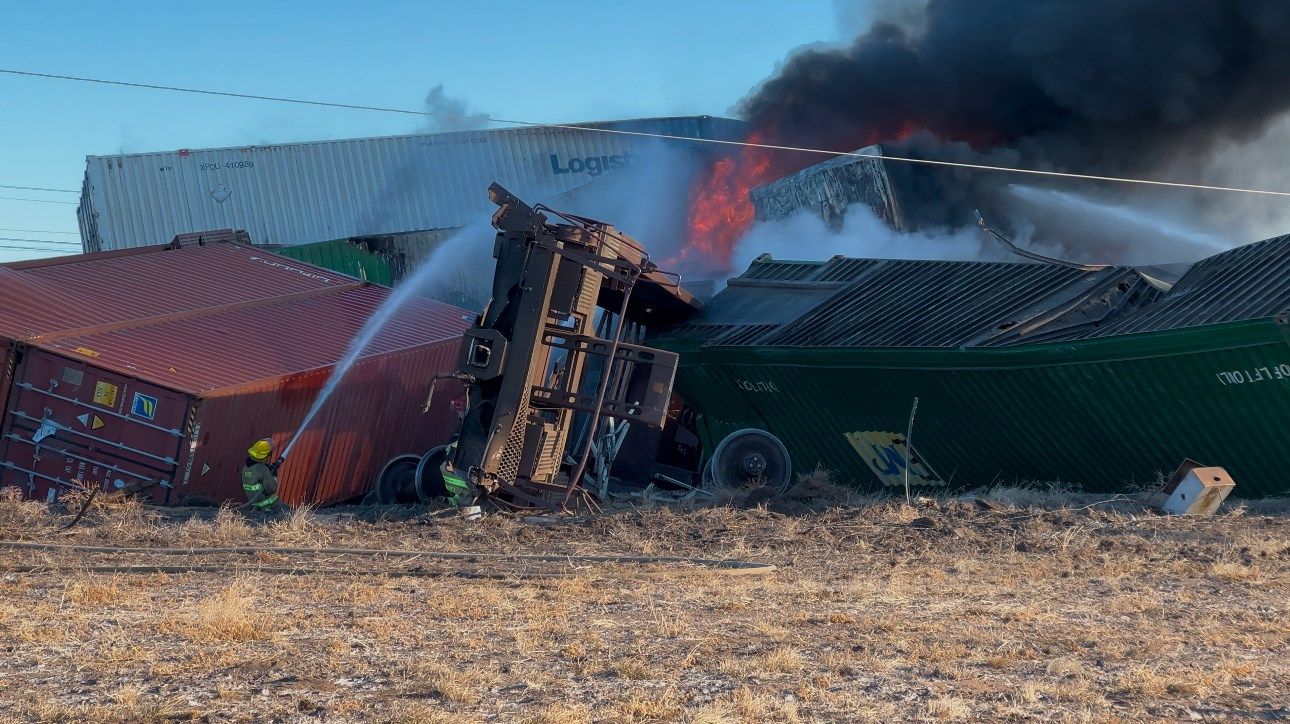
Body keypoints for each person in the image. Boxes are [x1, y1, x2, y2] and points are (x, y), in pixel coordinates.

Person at [240, 439, 285, 516]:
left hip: (252, 501)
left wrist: (267, 468)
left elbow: (256, 477)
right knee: (287, 511)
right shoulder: (263, 470)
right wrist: (273, 476)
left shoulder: (246, 467)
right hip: (265, 504)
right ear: (264, 456)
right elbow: (271, 489)